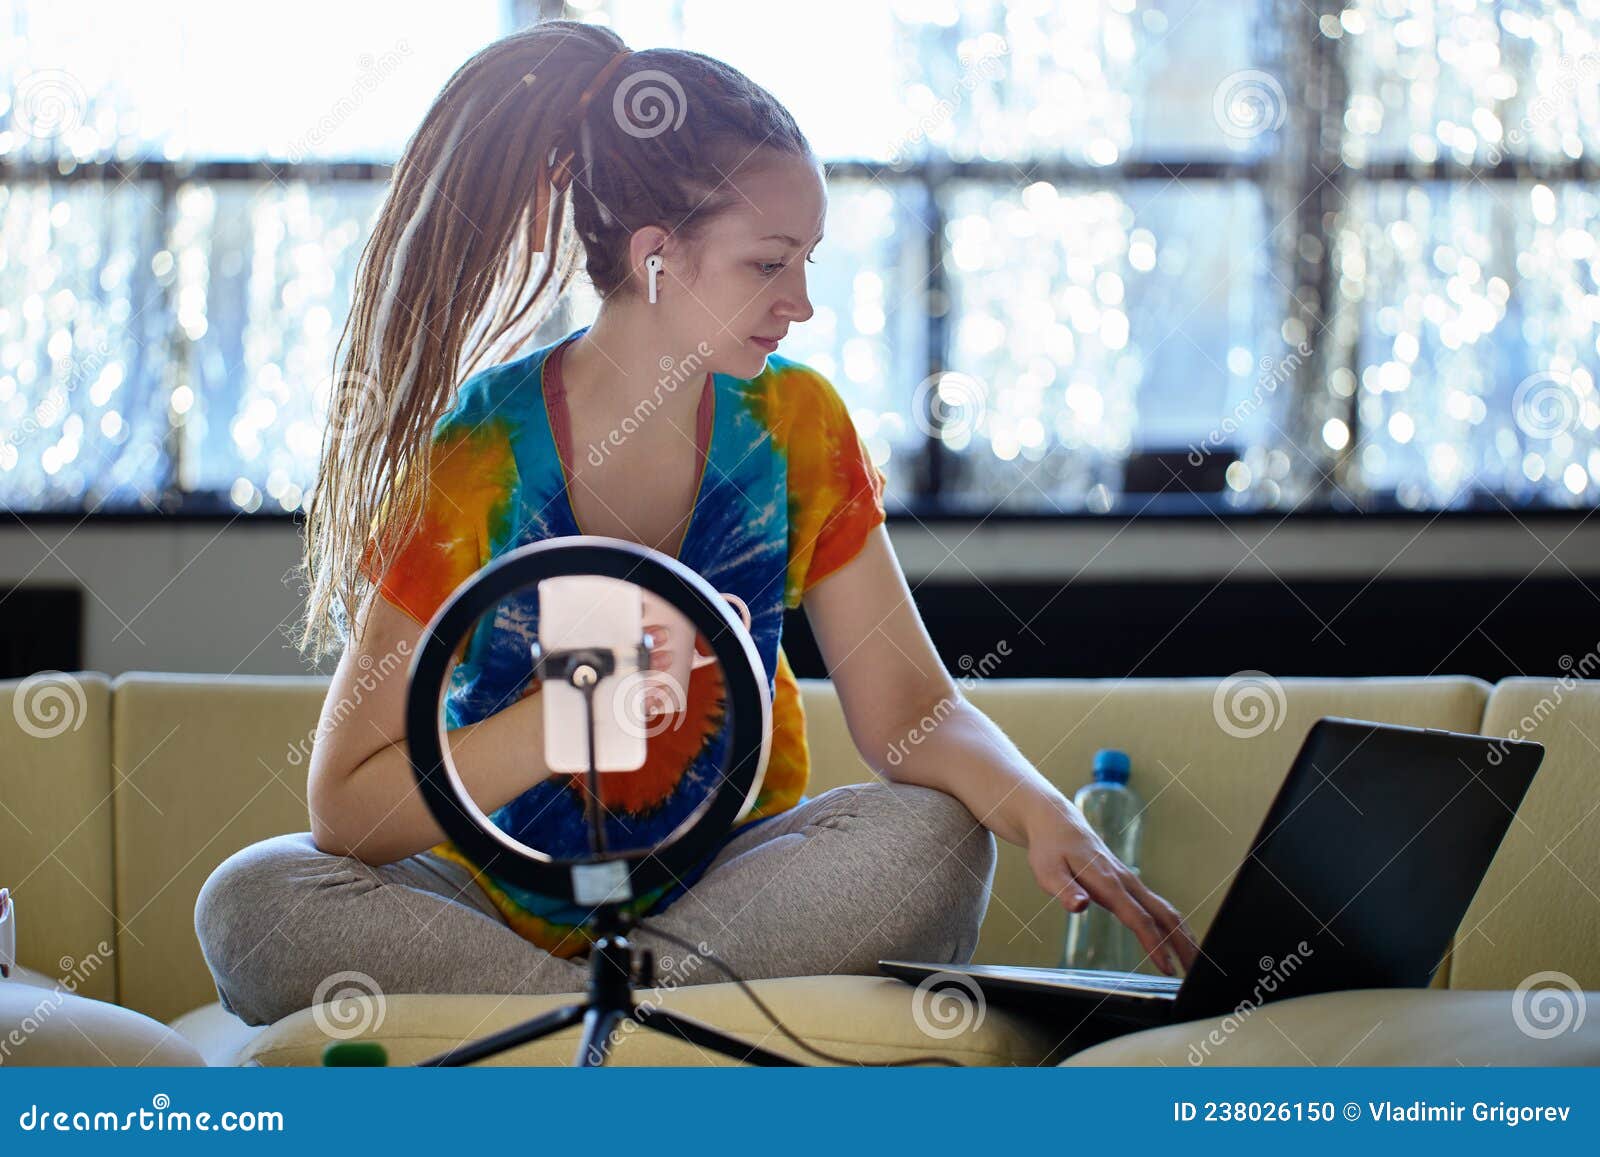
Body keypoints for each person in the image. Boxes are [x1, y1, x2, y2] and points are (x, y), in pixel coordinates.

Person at [194, 19, 1199, 1029]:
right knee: (253, 901)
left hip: (729, 894)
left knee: (936, 838)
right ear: (658, 257)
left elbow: (913, 716)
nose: (800, 300)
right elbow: (346, 807)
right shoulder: (478, 455)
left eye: (806, 259)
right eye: (768, 263)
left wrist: (1039, 808)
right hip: (490, 904)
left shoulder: (799, 424)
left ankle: (582, 1019)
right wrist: (556, 727)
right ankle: (628, 1013)